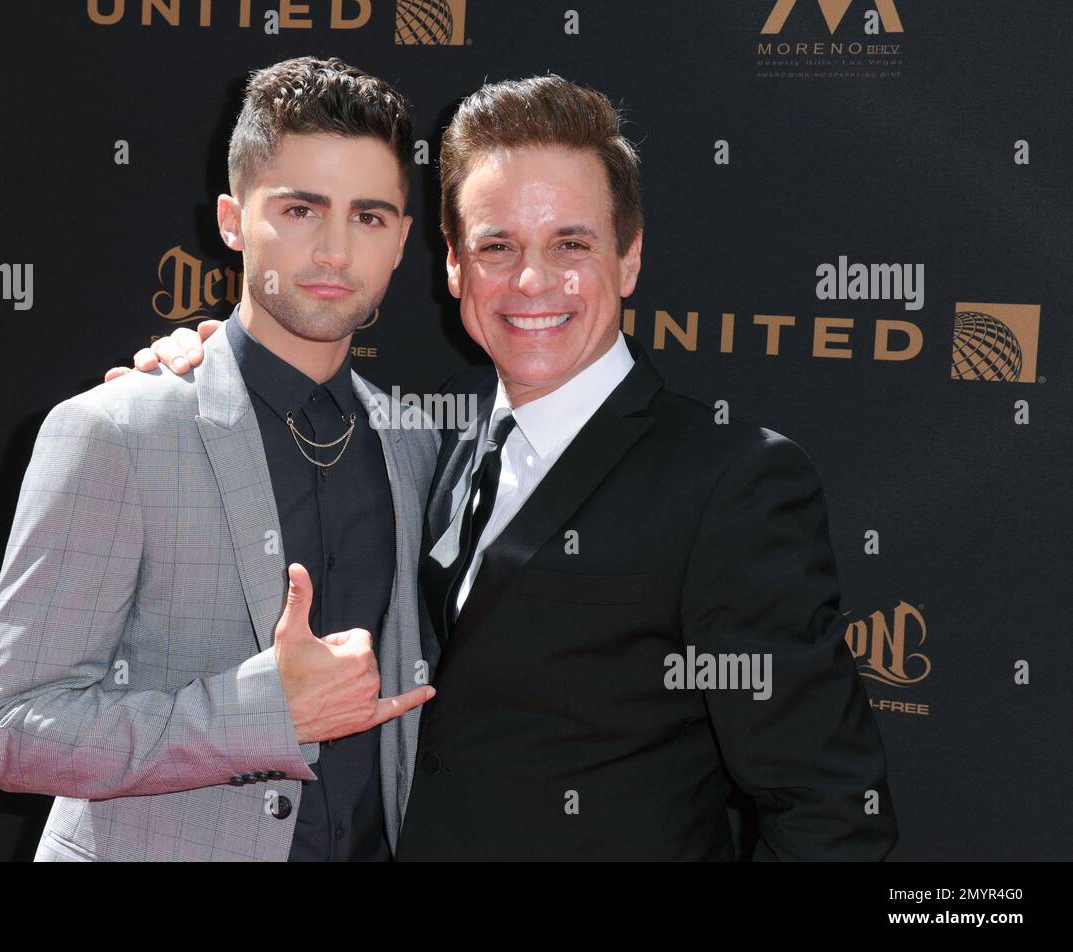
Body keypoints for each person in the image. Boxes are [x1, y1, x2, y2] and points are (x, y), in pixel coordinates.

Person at [109, 72, 898, 860]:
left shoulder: (733, 484)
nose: (531, 282)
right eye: (497, 246)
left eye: (571, 244)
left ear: (629, 258)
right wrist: (205, 370)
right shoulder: (422, 437)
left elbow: (829, 811)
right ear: (453, 265)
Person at [0, 56, 439, 862]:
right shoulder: (118, 432)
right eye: (299, 209)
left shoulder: (419, 444)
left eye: (368, 217)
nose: (334, 251)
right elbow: (13, 733)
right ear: (231, 220)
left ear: (401, 238)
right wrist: (263, 715)